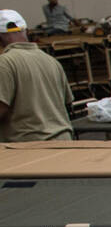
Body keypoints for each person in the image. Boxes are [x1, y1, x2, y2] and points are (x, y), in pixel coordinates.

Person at [0, 10, 74, 144]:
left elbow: (1, 108)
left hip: (30, 147)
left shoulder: (4, 62)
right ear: (27, 31)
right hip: (64, 141)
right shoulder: (51, 61)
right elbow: (67, 103)